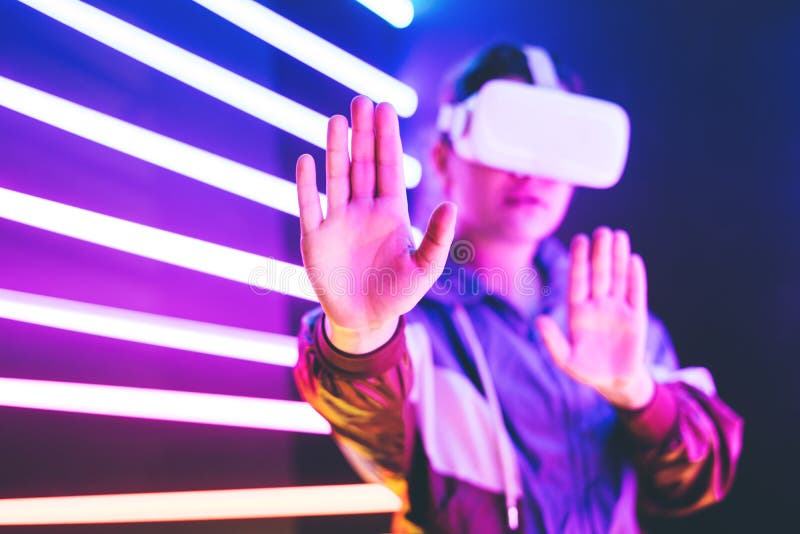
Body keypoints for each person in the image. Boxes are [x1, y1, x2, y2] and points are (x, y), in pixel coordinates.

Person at [293, 43, 743, 533]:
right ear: (445, 158)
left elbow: (700, 479)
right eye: (509, 135)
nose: (532, 170)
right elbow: (369, 429)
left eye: (557, 144)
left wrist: (638, 393)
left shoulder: (615, 315)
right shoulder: (408, 323)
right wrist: (361, 335)